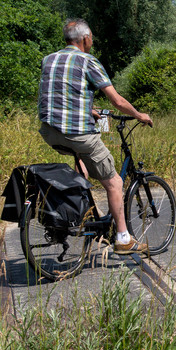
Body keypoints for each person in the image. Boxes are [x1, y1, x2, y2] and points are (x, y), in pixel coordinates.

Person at [38, 19, 153, 253]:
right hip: (76, 133)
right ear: (86, 38)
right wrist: (139, 114)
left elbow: (60, 92)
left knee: (82, 164)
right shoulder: (88, 61)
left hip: (49, 132)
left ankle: (83, 211)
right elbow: (116, 100)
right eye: (91, 38)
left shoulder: (48, 58)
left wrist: (86, 109)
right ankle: (123, 239)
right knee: (114, 181)